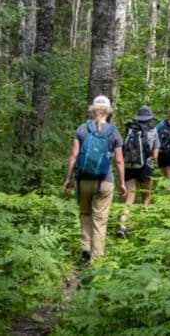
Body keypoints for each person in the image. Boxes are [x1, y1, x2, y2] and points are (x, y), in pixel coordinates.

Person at [63, 95, 126, 263]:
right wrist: (122, 183)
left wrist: (68, 179)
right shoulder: (114, 132)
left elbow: (74, 156)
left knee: (85, 214)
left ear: (92, 109)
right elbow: (119, 160)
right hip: (105, 181)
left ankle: (85, 248)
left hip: (82, 180)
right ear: (108, 111)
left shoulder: (82, 129)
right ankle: (96, 259)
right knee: (100, 219)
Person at [118, 105, 160, 238]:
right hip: (145, 167)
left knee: (130, 198)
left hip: (129, 166)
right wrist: (152, 157)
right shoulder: (153, 130)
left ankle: (123, 224)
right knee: (146, 197)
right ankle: (138, 225)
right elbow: (155, 153)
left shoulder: (130, 129)